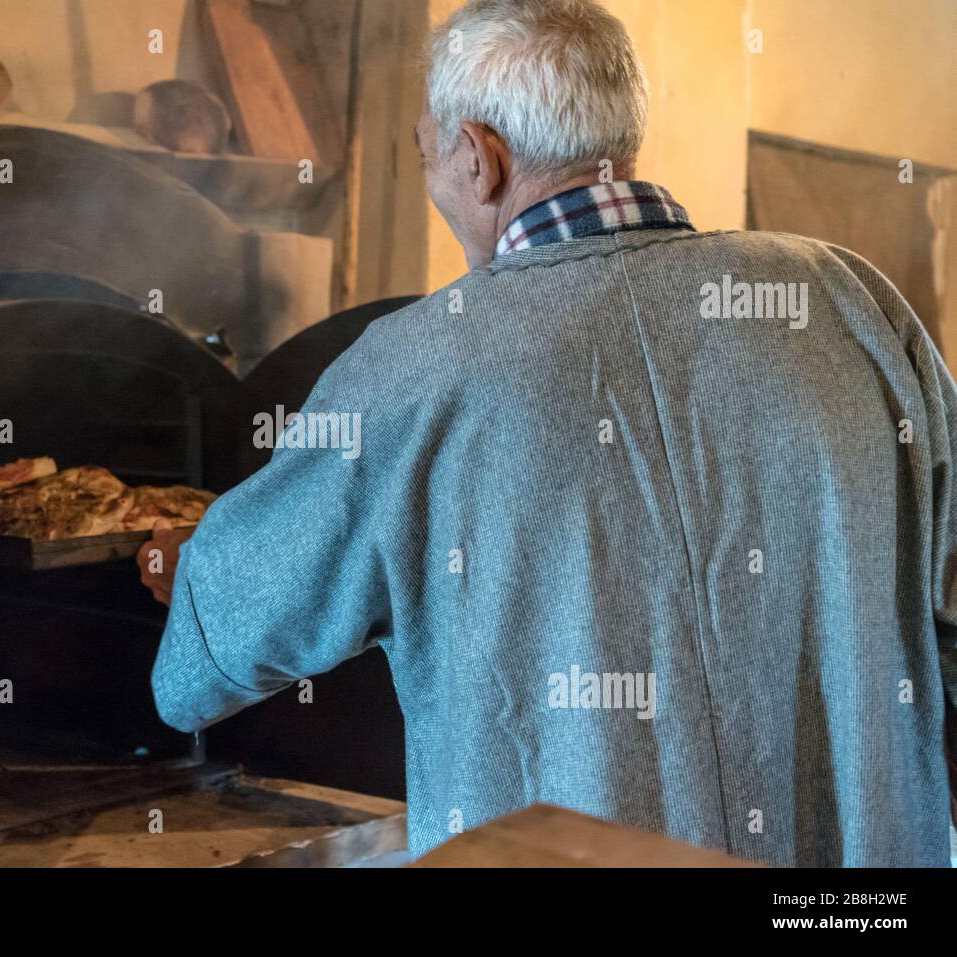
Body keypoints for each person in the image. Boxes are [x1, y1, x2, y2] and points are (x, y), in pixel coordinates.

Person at [138, 0, 956, 865]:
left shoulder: (417, 365)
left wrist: (183, 569)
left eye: (427, 156)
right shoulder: (850, 301)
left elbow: (211, 655)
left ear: (480, 158)